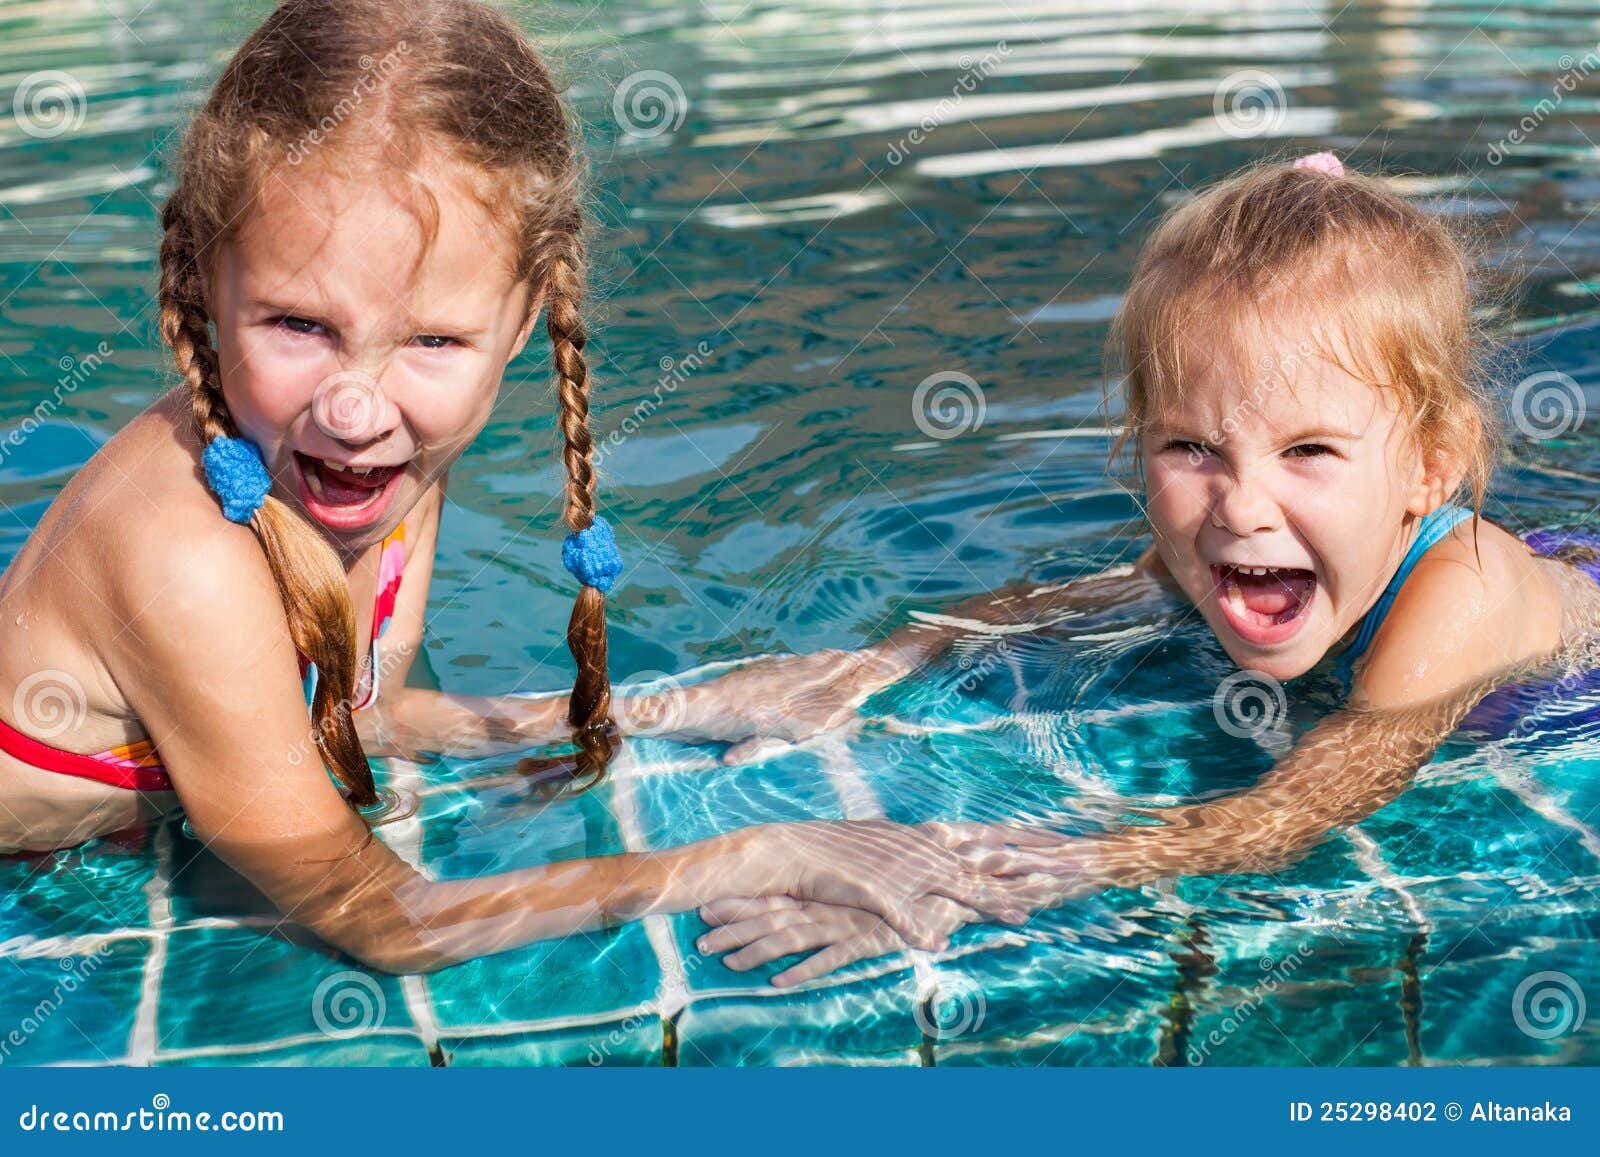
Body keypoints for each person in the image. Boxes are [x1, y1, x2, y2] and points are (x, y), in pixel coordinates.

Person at [0, 0, 1057, 978]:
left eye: (432, 339)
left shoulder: (380, 459)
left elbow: (349, 718)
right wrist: (759, 853)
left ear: (523, 320)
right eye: (298, 325)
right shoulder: (188, 556)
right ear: (202, 283)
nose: (356, 406)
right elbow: (380, 918)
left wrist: (666, 710)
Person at [692, 152, 1600, 976]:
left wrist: (969, 876)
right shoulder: (1234, 549)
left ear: (1431, 468)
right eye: (1192, 446)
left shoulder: (1465, 594)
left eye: (1310, 451)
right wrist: (864, 668)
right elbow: (1050, 606)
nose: (1240, 506)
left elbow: (1301, 810)